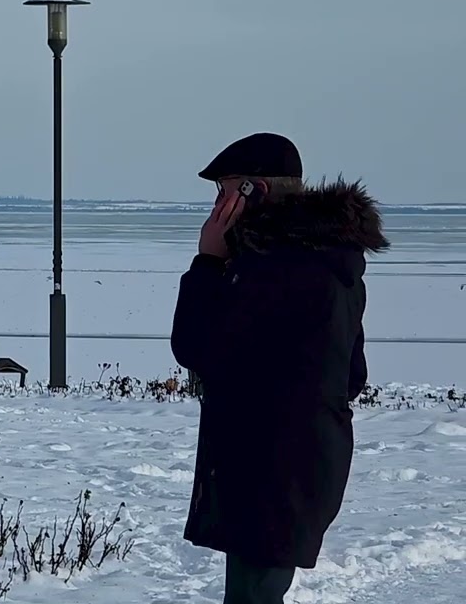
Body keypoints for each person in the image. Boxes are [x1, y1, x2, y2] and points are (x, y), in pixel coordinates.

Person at [169, 132, 390, 604]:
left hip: (267, 468)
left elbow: (195, 346)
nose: (217, 206)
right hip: (303, 465)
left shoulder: (270, 268)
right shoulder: (332, 261)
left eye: (225, 191)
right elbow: (351, 374)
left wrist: (207, 262)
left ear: (256, 192)